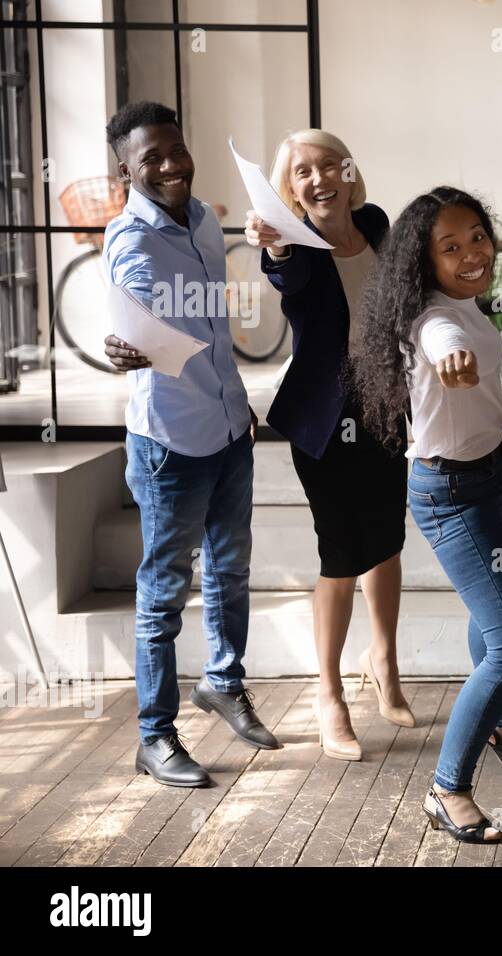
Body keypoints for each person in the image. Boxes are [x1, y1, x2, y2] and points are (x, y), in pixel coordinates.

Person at [352, 186, 502, 844]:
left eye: (477, 237)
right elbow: (447, 351)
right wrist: (454, 366)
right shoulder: (435, 320)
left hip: (489, 474)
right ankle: (447, 790)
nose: (471, 254)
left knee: (492, 618)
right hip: (450, 494)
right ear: (422, 261)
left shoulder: (466, 304)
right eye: (451, 247)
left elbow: (473, 370)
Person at [101, 101, 278, 788]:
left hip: (230, 428)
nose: (172, 165)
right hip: (171, 445)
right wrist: (122, 346)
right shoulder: (130, 239)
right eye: (154, 159)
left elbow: (211, 327)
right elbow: (126, 316)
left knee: (231, 571)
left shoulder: (204, 219)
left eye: (176, 149)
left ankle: (224, 684)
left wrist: (238, 402)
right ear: (127, 170)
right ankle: (154, 736)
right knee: (165, 592)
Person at [244, 129, 411, 762]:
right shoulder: (294, 246)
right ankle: (330, 694)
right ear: (290, 190)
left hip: (385, 410)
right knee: (341, 555)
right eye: (300, 174)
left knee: (388, 541)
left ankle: (385, 661)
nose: (316, 180)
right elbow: (284, 273)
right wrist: (278, 247)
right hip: (325, 421)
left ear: (346, 171)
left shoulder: (375, 223)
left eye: (325, 167)